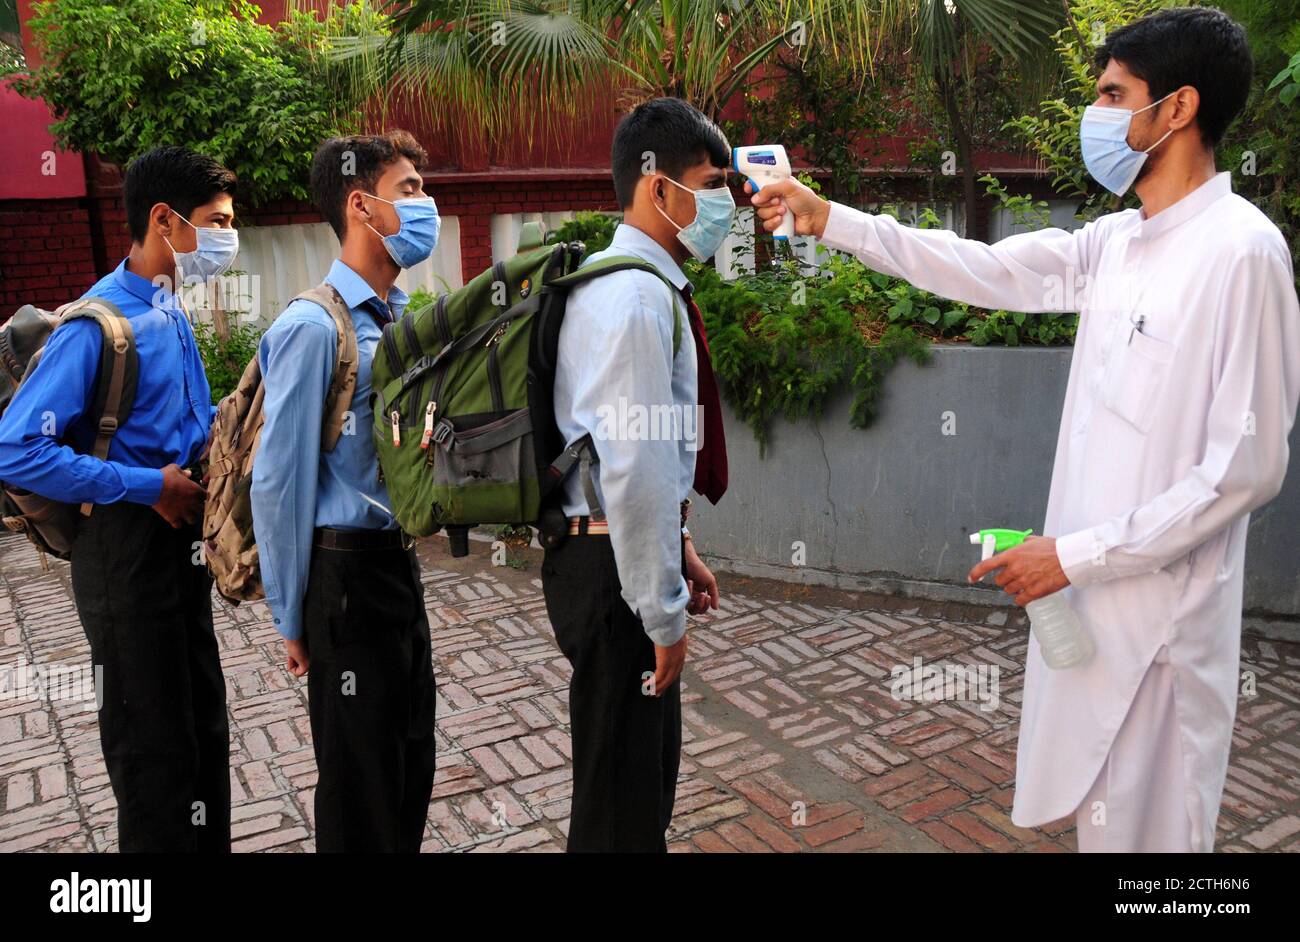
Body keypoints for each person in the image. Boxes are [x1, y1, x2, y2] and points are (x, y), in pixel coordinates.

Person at [749, 7, 1298, 852]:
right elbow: (986, 269)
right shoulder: (1117, 242)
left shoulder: (1243, 254)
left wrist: (1069, 555)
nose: (1098, 115)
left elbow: (1245, 469)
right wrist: (836, 221)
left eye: (1114, 94)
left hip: (1164, 637)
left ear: (1179, 108)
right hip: (1088, 611)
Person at [0, 145, 237, 852]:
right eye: (216, 222)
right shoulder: (98, 325)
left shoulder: (170, 309)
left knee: (202, 729)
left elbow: (179, 425)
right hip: (123, 559)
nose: (227, 238)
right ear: (164, 221)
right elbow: (16, 448)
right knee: (153, 752)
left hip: (178, 549)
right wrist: (147, 486)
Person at [544, 97, 726, 852]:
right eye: (712, 184)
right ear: (659, 189)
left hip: (604, 555)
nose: (723, 205)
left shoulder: (613, 280)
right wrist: (662, 611)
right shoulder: (637, 298)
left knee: (628, 784)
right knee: (622, 807)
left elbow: (626, 457)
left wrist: (675, 551)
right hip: (613, 579)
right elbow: (636, 470)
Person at [251, 131, 439, 852]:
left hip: (395, 571)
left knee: (407, 766)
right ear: (362, 205)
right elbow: (279, 480)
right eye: (411, 190)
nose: (427, 204)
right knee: (361, 789)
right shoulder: (312, 327)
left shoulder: (398, 320)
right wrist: (292, 613)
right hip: (344, 582)